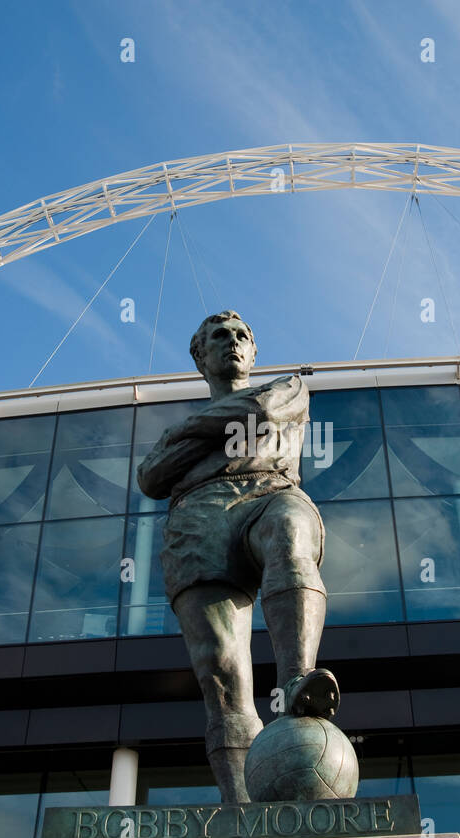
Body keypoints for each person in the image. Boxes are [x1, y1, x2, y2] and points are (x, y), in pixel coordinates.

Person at [136, 310, 338, 803]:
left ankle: (295, 679)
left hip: (269, 491)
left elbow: (265, 411)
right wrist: (220, 425)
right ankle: (239, 808)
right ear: (199, 357)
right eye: (218, 336)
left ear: (252, 352)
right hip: (196, 518)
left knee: (289, 533)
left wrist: (187, 435)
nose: (232, 341)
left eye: (241, 335)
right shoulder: (189, 429)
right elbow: (151, 477)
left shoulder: (289, 388)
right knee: (221, 670)